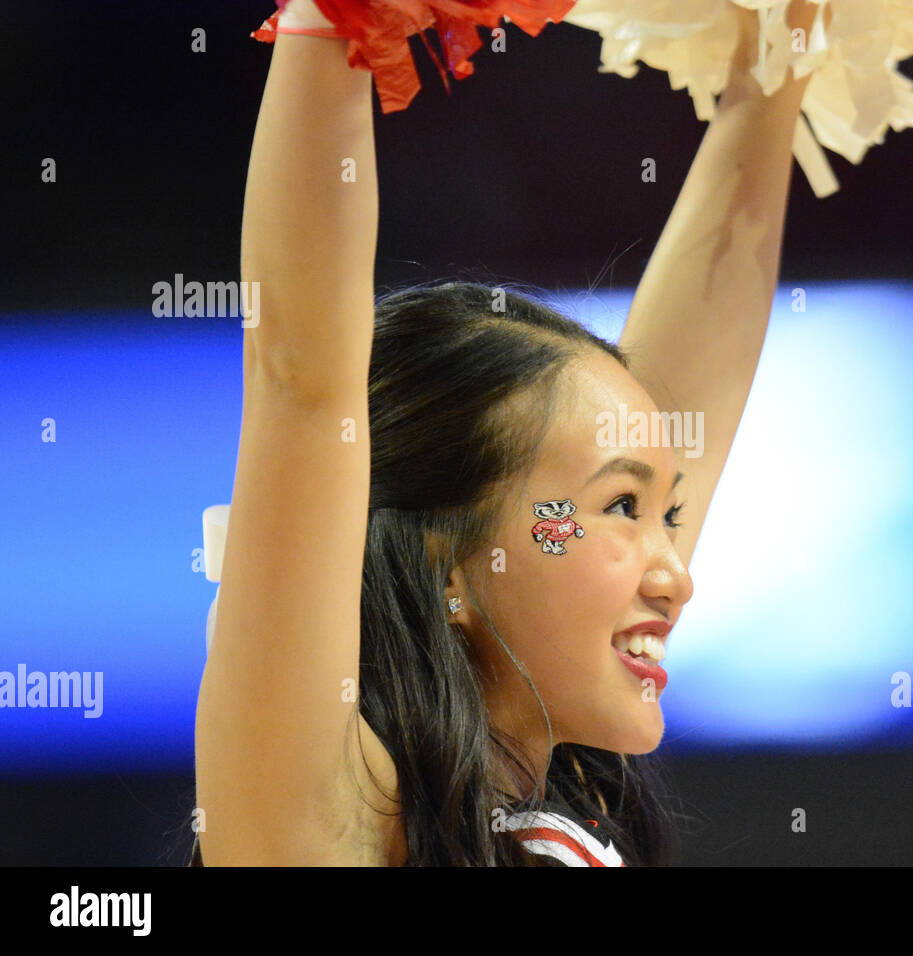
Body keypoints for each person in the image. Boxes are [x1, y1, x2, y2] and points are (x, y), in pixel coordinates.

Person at [191, 0, 817, 866]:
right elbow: (300, 383)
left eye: (666, 514)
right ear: (452, 564)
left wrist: (780, 56)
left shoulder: (540, 792)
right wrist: (334, 20)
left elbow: (693, 386)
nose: (678, 576)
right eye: (622, 506)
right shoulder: (333, 819)